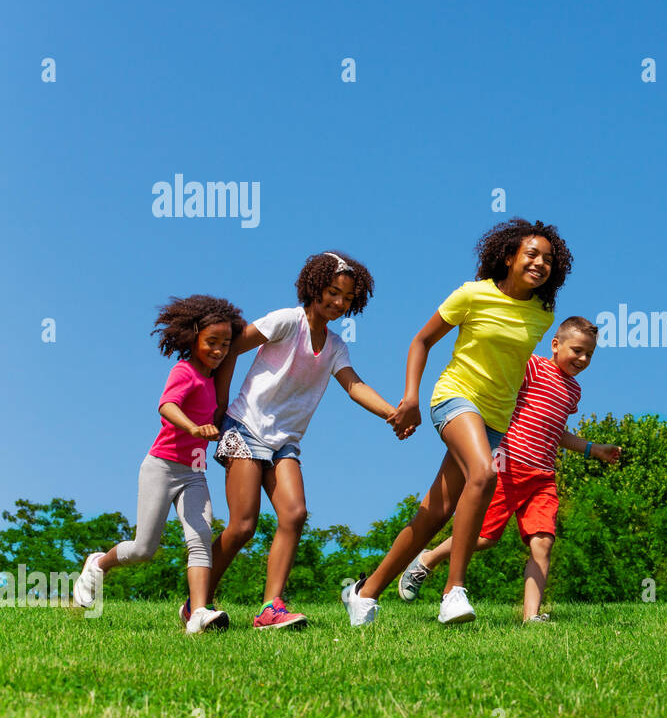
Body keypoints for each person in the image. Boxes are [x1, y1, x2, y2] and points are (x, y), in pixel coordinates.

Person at [342, 218, 572, 626]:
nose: (540, 263)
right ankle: (453, 592)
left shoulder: (542, 312)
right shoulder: (472, 294)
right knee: (482, 476)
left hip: (496, 417)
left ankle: (364, 592)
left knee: (433, 512)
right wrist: (410, 396)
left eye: (549, 259)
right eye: (531, 254)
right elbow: (422, 340)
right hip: (454, 398)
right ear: (508, 257)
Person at [203, 251, 406, 629]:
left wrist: (391, 413)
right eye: (332, 292)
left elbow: (354, 385)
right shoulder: (285, 321)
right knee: (243, 526)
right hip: (246, 426)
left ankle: (270, 608)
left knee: (294, 514)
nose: (338, 303)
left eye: (346, 298)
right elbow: (231, 346)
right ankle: (198, 602)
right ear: (314, 287)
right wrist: (219, 403)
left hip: (285, 442)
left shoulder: (334, 346)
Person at [398, 317, 621, 621]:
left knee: (543, 542)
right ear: (555, 345)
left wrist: (592, 448)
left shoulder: (573, 392)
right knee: (485, 538)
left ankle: (531, 616)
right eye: (578, 350)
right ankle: (428, 559)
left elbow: (557, 431)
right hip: (507, 466)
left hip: (542, 477)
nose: (582, 359)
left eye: (589, 355)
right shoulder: (531, 367)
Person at [73, 295, 245, 634]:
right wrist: (194, 427)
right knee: (144, 548)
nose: (219, 350)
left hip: (195, 473)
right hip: (162, 467)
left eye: (225, 344)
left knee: (200, 536)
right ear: (192, 336)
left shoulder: (213, 380)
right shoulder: (184, 371)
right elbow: (166, 405)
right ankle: (99, 563)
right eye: (212, 342)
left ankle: (197, 613)